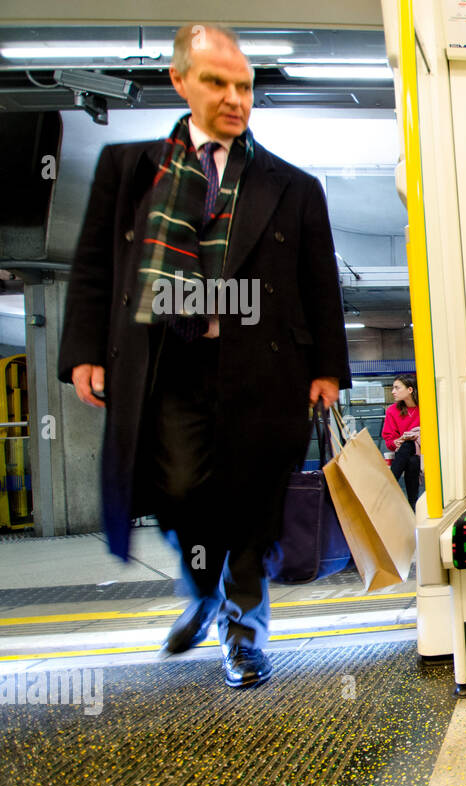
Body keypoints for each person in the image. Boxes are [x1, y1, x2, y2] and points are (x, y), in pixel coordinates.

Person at [57, 23, 351, 689]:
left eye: (244, 85)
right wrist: (83, 350)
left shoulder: (292, 186)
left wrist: (328, 366)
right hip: (165, 363)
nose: (234, 97)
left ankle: (245, 635)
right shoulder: (129, 170)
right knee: (178, 491)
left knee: (250, 507)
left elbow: (318, 282)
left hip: (263, 368)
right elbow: (96, 267)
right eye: (217, 82)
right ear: (180, 81)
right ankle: (205, 586)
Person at [382, 374, 422, 507]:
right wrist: (396, 442)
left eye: (397, 388)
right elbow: (389, 441)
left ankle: (389, 485)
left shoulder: (427, 407)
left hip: (425, 449)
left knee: (409, 444)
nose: (393, 391)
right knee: (412, 459)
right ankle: (412, 506)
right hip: (408, 454)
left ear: (410, 390)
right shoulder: (392, 411)